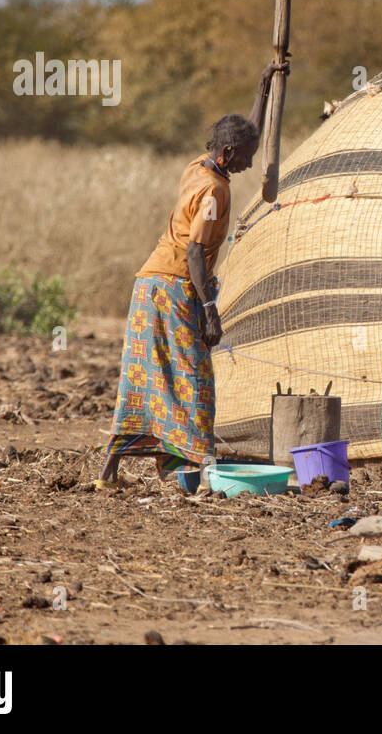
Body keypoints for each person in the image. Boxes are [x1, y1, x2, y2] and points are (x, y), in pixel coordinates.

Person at [97, 59, 289, 489]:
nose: (247, 165)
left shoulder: (198, 166)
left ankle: (109, 472)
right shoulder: (215, 191)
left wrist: (264, 89)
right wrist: (209, 310)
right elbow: (197, 252)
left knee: (145, 376)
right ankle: (204, 470)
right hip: (177, 288)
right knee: (195, 378)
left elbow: (244, 135)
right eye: (243, 159)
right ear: (226, 155)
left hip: (149, 285)